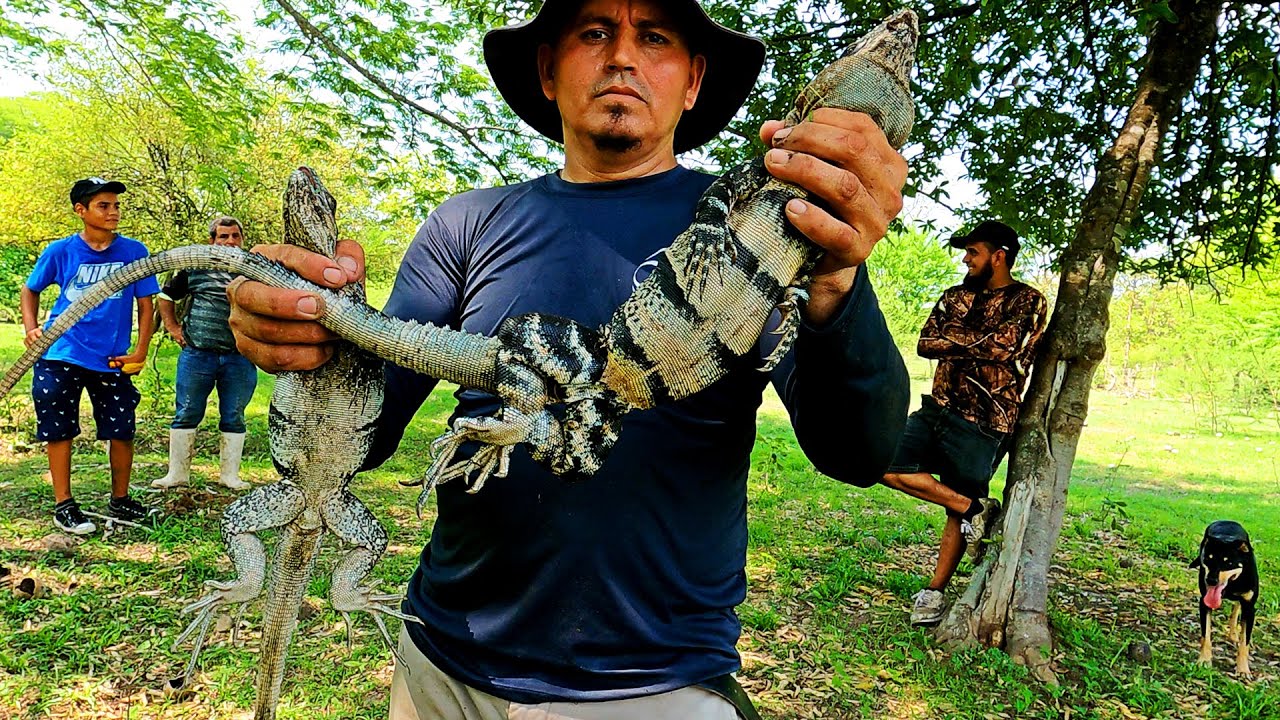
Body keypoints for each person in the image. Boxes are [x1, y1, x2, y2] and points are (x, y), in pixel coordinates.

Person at [227, 0, 910, 716]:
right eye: (594, 32)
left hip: (653, 685)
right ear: (549, 71)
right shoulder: (467, 222)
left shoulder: (753, 228)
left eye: (655, 36)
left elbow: (858, 453)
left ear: (694, 80)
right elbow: (365, 430)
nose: (621, 55)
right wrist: (310, 340)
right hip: (442, 659)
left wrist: (834, 276)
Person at [879, 219, 1048, 627]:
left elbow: (1006, 348)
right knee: (882, 464)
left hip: (988, 418)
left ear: (999, 256)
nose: (966, 259)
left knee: (955, 507)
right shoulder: (955, 296)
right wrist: (978, 343)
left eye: (973, 252)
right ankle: (977, 509)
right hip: (938, 406)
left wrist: (956, 339)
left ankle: (934, 593)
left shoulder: (1028, 300)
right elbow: (925, 344)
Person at [20, 177, 161, 535]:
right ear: (80, 211)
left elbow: (147, 305)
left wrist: (141, 349)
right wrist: (31, 328)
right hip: (60, 352)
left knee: (122, 428)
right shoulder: (61, 251)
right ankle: (64, 505)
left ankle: (121, 499)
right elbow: (30, 289)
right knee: (59, 429)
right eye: (103, 205)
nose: (113, 211)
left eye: (115, 205)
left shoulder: (133, 252)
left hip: (111, 357)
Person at [150, 216, 258, 491]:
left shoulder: (253, 270)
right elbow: (165, 298)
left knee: (234, 413)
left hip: (240, 356)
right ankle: (177, 475)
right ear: (212, 240)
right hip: (198, 354)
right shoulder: (196, 267)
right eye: (224, 236)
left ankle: (229, 476)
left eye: (235, 236)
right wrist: (173, 328)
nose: (231, 242)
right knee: (186, 410)